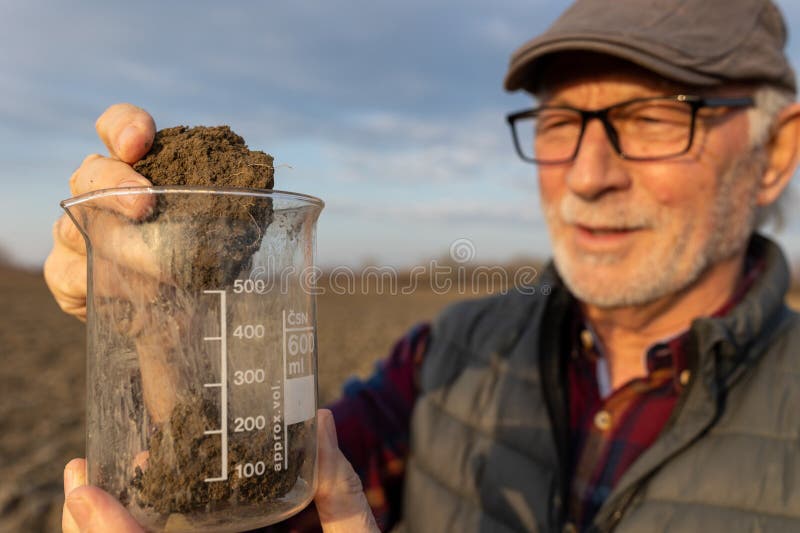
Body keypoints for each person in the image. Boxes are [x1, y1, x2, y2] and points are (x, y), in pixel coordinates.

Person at [47, 0, 800, 531]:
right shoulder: (447, 354)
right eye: (562, 121)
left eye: (653, 117)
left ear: (776, 153)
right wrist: (158, 316)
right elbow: (260, 490)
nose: (588, 172)